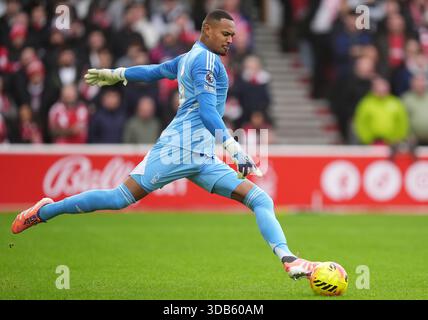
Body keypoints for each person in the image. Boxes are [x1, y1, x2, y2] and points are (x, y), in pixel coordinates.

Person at [11, 10, 319, 281]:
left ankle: (288, 260)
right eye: (225, 33)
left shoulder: (189, 58)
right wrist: (235, 150)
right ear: (206, 30)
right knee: (119, 198)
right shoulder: (206, 62)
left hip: (202, 156)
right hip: (177, 148)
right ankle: (46, 211)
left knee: (261, 200)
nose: (230, 40)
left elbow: (156, 70)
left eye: (233, 35)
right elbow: (208, 110)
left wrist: (117, 74)